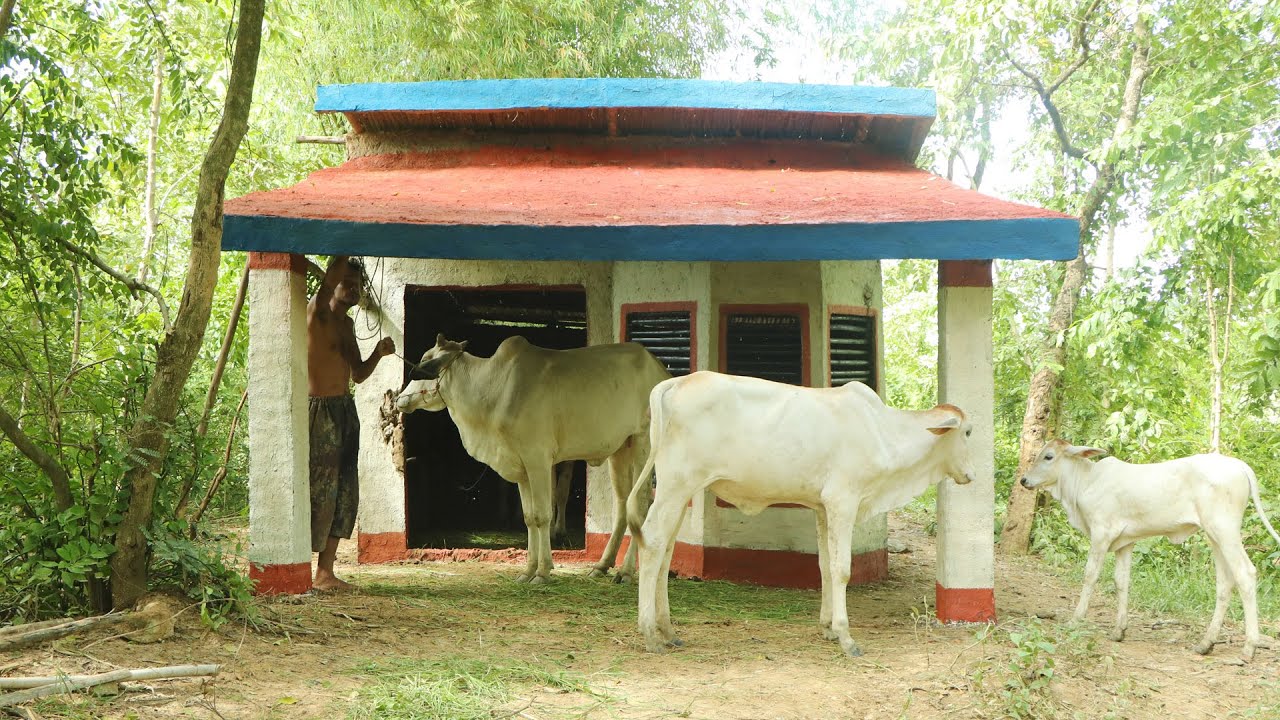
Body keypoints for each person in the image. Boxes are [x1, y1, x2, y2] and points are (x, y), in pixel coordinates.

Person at [306, 255, 394, 591]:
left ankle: (325, 573)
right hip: (319, 411)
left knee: (344, 492)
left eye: (358, 285)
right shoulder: (319, 312)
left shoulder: (347, 325)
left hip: (345, 410)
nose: (354, 289)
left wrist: (379, 353)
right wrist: (346, 242)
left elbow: (357, 375)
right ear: (334, 281)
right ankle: (306, 567)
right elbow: (329, 279)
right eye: (348, 282)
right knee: (320, 490)